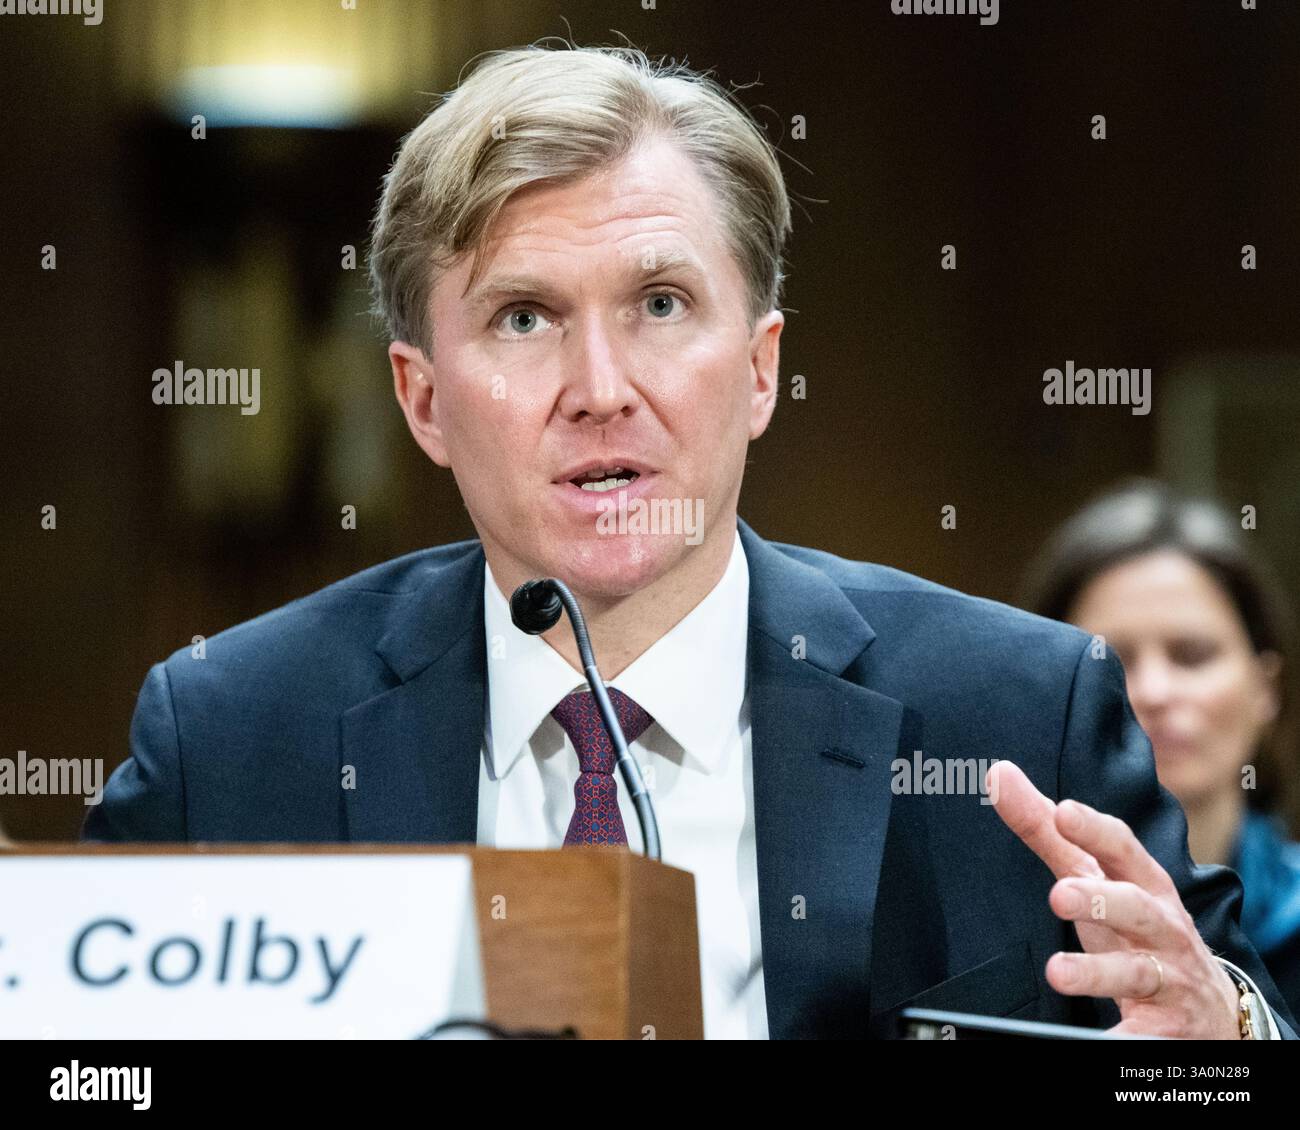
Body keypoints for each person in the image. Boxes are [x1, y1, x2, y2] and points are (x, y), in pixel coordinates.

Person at [84, 44, 1293, 1039]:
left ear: (761, 368)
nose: (600, 386)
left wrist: (1221, 1036)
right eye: (522, 317)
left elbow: (1230, 1022)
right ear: (422, 400)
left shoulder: (1015, 711)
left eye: (660, 306)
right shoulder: (233, 740)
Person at [1022, 477, 1300, 1020]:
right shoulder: (991, 930)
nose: (1153, 692)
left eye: (1192, 654)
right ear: (1043, 690)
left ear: (1266, 689)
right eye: (1109, 662)